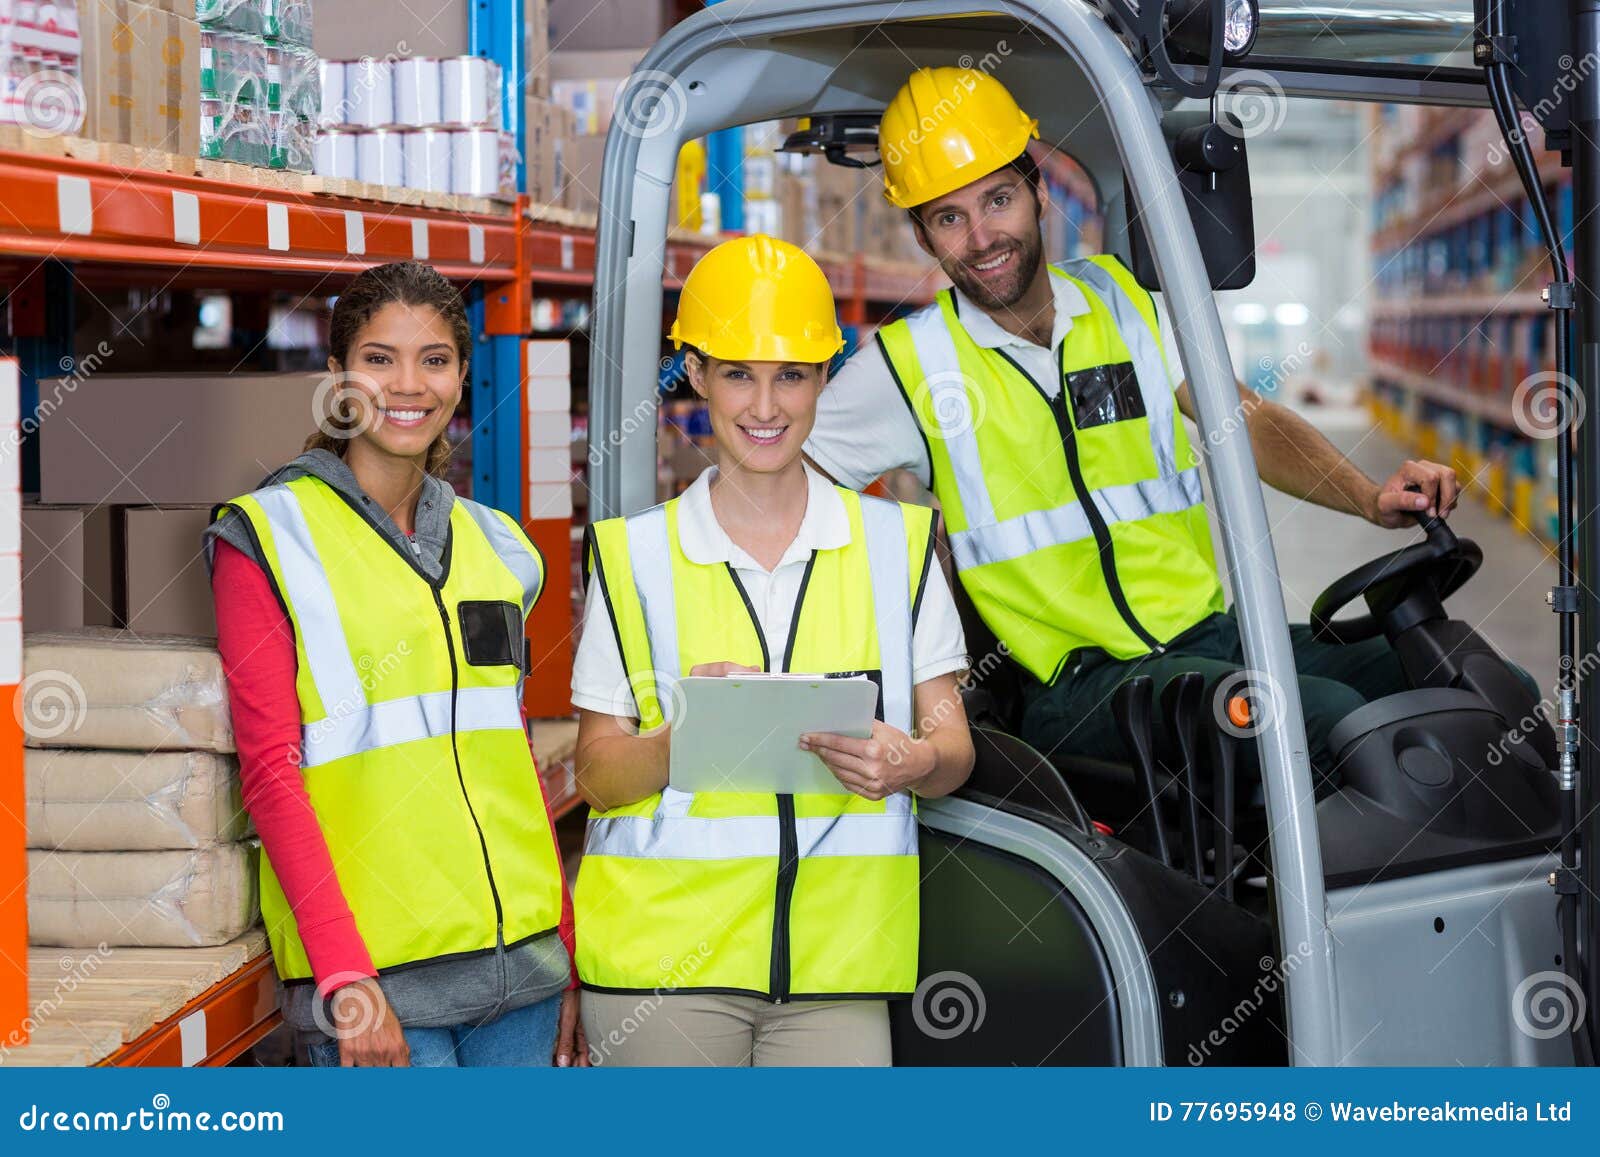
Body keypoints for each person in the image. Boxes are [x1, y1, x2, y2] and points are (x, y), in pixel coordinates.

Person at [803, 66, 1479, 792]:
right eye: (948, 218)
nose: (981, 237)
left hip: (1209, 639)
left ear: (1036, 192)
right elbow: (775, 480)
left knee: (1453, 670)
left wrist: (1369, 497)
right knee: (1325, 719)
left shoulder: (1126, 301)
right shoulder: (907, 365)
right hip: (1081, 686)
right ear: (922, 236)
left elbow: (1244, 420)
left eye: (998, 199)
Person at [570, 235, 975, 1066]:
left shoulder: (897, 547)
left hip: (838, 973)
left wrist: (912, 762)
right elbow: (597, 777)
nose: (765, 405)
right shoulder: (635, 554)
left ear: (825, 376)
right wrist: (684, 740)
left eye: (790, 374)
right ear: (695, 374)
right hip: (662, 973)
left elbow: (954, 749)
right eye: (737, 373)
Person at [204, 261, 586, 1067]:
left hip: (524, 971)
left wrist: (568, 945)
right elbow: (271, 775)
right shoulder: (270, 536)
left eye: (434, 359)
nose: (409, 384)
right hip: (379, 985)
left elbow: (510, 753)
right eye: (380, 358)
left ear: (461, 376)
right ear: (339, 375)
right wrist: (345, 972)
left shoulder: (495, 543)